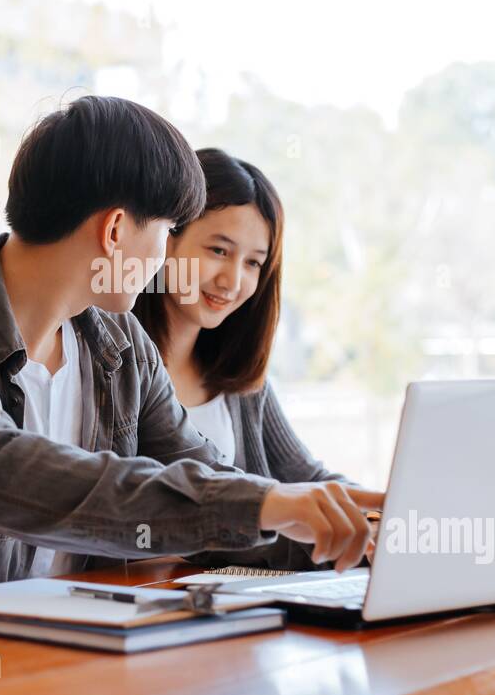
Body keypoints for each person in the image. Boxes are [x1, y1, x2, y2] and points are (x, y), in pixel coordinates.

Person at [0, 96, 375, 614]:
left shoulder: (122, 347)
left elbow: (203, 492)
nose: (163, 256)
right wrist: (266, 503)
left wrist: (364, 543)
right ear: (116, 230)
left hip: (50, 659)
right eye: (169, 230)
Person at [134, 147, 383, 571]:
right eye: (218, 250)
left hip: (239, 607)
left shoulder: (239, 377)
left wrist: (387, 515)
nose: (233, 281)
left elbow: (308, 480)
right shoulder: (119, 367)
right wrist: (346, 542)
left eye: (253, 263)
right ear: (167, 238)